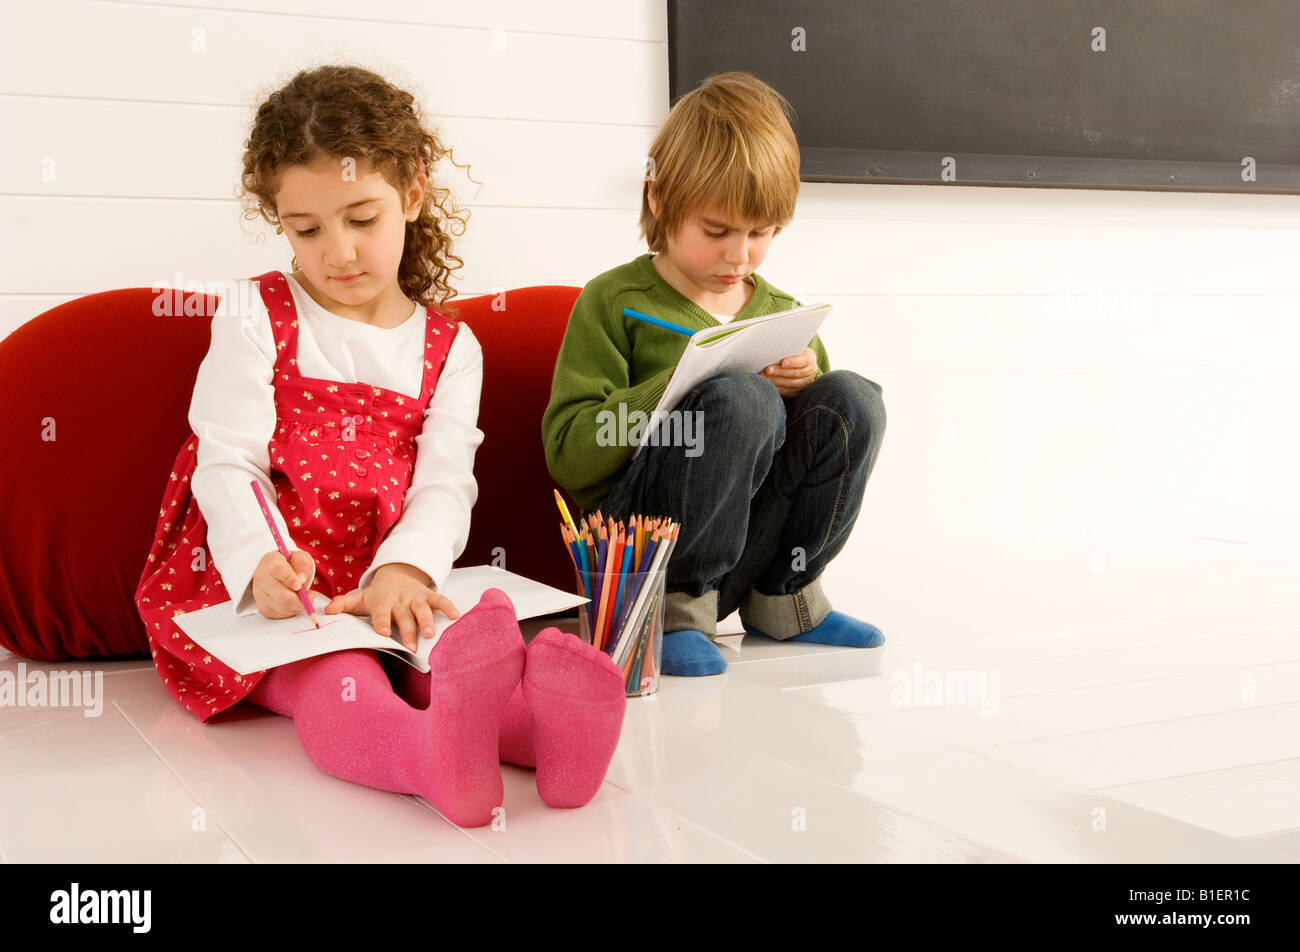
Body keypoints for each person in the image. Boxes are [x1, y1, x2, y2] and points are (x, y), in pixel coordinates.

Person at [134, 65, 625, 828]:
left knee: (438, 663)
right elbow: (226, 457)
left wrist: (402, 569)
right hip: (273, 590)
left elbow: (443, 485)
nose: (338, 252)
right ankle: (429, 762)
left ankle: (552, 733)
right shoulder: (255, 312)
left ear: (414, 195)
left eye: (362, 217)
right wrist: (260, 562)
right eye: (307, 229)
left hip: (383, 583)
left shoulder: (451, 347)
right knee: (343, 676)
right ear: (281, 223)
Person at [542, 71, 888, 677]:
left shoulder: (777, 308)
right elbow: (570, 453)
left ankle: (787, 598)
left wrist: (808, 374)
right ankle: (672, 613)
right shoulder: (615, 300)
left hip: (746, 548)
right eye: (717, 231)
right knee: (743, 399)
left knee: (853, 399)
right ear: (658, 199)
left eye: (761, 233)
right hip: (646, 554)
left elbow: (822, 427)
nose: (739, 254)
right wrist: (676, 385)